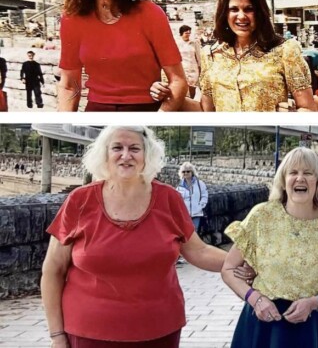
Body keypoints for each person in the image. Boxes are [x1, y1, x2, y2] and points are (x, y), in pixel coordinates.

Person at [41, 126, 233, 348]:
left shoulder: (169, 198)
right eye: (117, 148)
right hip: (89, 333)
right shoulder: (79, 201)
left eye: (134, 148)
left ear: (147, 156)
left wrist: (244, 263)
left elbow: (198, 251)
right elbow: (53, 270)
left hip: (160, 330)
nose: (126, 155)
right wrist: (56, 335)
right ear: (105, 154)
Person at [221, 147, 318, 347]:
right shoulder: (261, 216)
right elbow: (228, 269)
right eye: (293, 173)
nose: (300, 178)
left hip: (309, 325)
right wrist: (255, 299)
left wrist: (317, 301)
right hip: (263, 321)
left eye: (308, 173)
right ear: (283, 180)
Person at [57, 0, 186, 112]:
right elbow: (69, 85)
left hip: (148, 111)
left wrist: (158, 119)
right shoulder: (72, 18)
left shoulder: (150, 14)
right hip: (98, 112)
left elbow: (178, 81)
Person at [151, 0, 316, 112]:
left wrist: (294, 113)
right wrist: (169, 94)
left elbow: (309, 109)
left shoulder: (285, 51)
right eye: (234, 9)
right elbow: (206, 111)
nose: (241, 16)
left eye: (249, 9)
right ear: (224, 13)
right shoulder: (211, 55)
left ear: (260, 12)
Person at [176, 162, 209, 233]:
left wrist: (201, 205)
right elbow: (177, 199)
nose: (186, 173)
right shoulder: (179, 186)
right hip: (184, 214)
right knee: (185, 232)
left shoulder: (200, 184)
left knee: (194, 232)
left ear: (192, 172)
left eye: (188, 171)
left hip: (196, 213)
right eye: (183, 171)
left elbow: (204, 195)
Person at [176, 25, 201, 99]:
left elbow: (198, 56)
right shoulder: (177, 43)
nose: (188, 35)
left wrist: (200, 67)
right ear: (181, 33)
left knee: (192, 86)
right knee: (183, 86)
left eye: (189, 33)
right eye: (186, 33)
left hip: (193, 68)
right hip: (182, 67)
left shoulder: (194, 43)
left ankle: (192, 100)